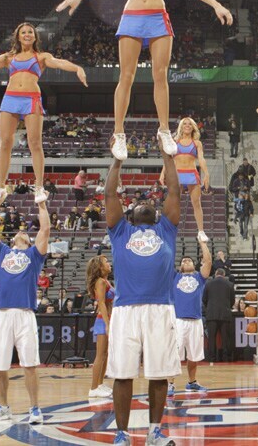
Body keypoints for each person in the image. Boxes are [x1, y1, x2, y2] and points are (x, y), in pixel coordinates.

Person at [56, 0, 233, 162]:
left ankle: (164, 130)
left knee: (160, 76)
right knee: (126, 77)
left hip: (158, 19)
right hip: (132, 18)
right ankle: (119, 133)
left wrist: (217, 5)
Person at [0, 23, 87, 204]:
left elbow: (60, 62)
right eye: (23, 32)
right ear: (18, 37)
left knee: (35, 143)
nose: (27, 34)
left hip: (31, 99)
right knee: (5, 143)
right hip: (10, 98)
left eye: (30, 32)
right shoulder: (9, 57)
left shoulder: (41, 57)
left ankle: (39, 186)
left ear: (35, 36)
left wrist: (77, 68)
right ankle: (0, 186)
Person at [104, 134, 181, 446]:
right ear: (129, 215)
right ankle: (122, 434)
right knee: (123, 374)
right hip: (126, 308)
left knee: (159, 374)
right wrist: (118, 158)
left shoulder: (166, 228)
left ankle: (154, 432)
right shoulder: (119, 230)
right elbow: (110, 192)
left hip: (160, 307)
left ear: (157, 213)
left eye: (150, 203)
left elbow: (174, 190)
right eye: (139, 203)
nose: (145, 203)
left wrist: (167, 155)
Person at [0, 192, 49, 425]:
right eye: (19, 232)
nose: (21, 231)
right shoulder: (1, 252)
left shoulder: (34, 255)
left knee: (29, 364)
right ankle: (3, 407)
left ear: (29, 241)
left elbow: (45, 230)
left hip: (24, 313)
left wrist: (41, 204)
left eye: (25, 233)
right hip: (1, 313)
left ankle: (35, 408)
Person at [168, 238, 211, 396]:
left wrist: (203, 244)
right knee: (174, 355)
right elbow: (166, 259)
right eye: (183, 261)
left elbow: (208, 262)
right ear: (180, 267)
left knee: (194, 355)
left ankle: (192, 382)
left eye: (189, 260)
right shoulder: (174, 277)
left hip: (196, 320)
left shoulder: (199, 277)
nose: (186, 261)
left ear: (194, 265)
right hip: (178, 321)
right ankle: (170, 383)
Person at [159, 117, 210, 243]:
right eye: (185, 124)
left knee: (196, 203)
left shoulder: (197, 143)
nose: (187, 126)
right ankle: (167, 228)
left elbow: (201, 159)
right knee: (174, 202)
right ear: (181, 127)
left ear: (193, 127)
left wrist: (206, 174)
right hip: (177, 175)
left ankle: (201, 231)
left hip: (192, 173)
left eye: (190, 124)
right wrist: (162, 173)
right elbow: (168, 159)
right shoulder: (174, 141)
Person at [86, 255, 114, 399]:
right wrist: (108, 324)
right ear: (99, 267)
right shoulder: (100, 282)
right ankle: (93, 388)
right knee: (100, 355)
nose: (109, 264)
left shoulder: (106, 281)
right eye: (106, 262)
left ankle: (100, 384)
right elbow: (101, 303)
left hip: (108, 319)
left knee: (105, 354)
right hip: (103, 321)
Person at [204, 268, 235, 363]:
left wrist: (210, 307)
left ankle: (212, 358)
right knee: (225, 338)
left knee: (211, 338)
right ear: (224, 275)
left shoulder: (208, 284)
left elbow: (204, 299)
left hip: (211, 314)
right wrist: (227, 307)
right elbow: (232, 300)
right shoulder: (230, 284)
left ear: (215, 274)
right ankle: (225, 358)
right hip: (225, 314)